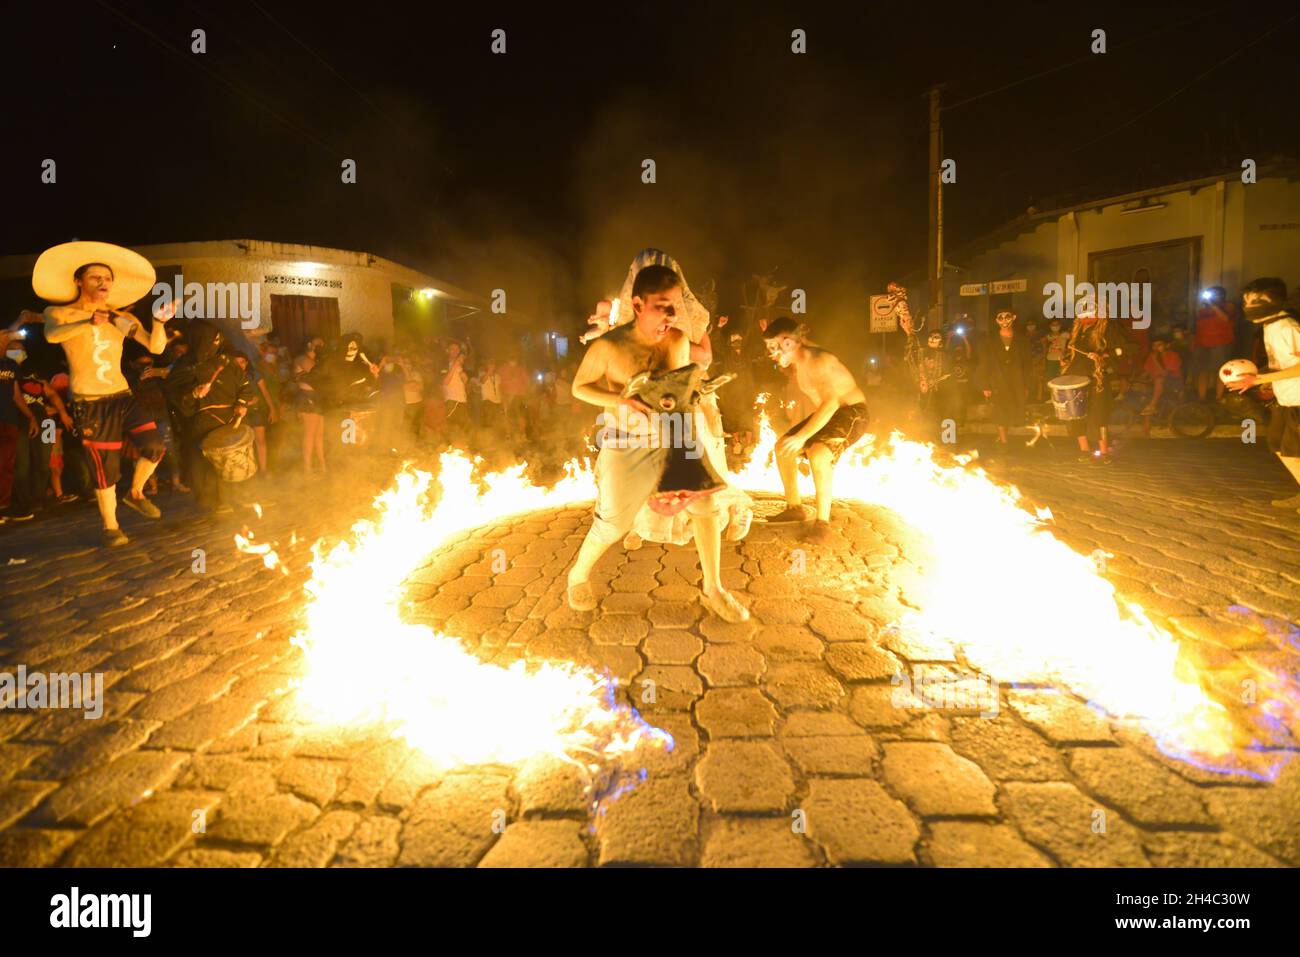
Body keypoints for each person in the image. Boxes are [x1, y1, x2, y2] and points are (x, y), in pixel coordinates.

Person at [565, 263, 749, 623]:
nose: (670, 315)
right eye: (661, 306)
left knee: (705, 509)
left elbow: (675, 392)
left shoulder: (679, 341)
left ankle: (713, 589)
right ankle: (577, 576)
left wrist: (694, 396)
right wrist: (620, 400)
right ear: (637, 304)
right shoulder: (608, 346)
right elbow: (579, 387)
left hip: (673, 433)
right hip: (624, 442)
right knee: (614, 524)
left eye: (675, 306)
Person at [36, 242, 176, 546]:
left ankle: (136, 492)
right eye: (95, 278)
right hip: (90, 402)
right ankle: (110, 527)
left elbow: (156, 347)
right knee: (105, 466)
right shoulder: (60, 313)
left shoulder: (121, 318)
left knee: (154, 445)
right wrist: (87, 321)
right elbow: (50, 336)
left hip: (122, 396)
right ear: (79, 281)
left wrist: (159, 322)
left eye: (107, 279)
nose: (103, 283)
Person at [763, 316, 870, 544]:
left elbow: (831, 403)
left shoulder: (818, 361)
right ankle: (794, 507)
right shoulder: (801, 355)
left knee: (819, 453)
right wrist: (777, 335)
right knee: (783, 446)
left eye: (775, 347)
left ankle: (822, 524)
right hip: (829, 412)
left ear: (789, 343)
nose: (772, 353)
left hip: (852, 412)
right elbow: (800, 340)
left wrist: (802, 437)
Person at [1225, 277, 1300, 511]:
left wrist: (1260, 379)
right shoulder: (1270, 326)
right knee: (1278, 446)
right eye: (1246, 300)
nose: (1249, 305)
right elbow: (1283, 364)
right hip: (1285, 398)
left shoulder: (1289, 327)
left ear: (1275, 300)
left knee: (1292, 450)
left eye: (1257, 300)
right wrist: (1260, 378)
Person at [166, 321, 255, 515]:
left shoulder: (227, 362)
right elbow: (174, 392)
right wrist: (194, 394)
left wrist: (241, 403)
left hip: (230, 418)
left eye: (217, 338)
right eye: (211, 339)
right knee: (208, 464)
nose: (215, 342)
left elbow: (246, 385)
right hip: (204, 421)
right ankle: (214, 501)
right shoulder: (187, 365)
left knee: (234, 460)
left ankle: (237, 497)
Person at [1059, 295, 1126, 464]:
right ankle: (1084, 450)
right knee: (1076, 414)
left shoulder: (1108, 329)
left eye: (1089, 315)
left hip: (1097, 379)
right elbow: (1071, 353)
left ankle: (1104, 453)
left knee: (1098, 416)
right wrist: (1066, 359)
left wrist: (1103, 355)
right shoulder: (1077, 331)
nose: (1085, 319)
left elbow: (1123, 350)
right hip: (1076, 377)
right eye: (1082, 316)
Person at [0, 331, 40, 522]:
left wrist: (31, 416)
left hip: (12, 421)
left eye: (22, 349)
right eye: (13, 347)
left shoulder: (12, 368)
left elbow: (16, 395)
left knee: (8, 465)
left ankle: (4, 506)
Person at [976, 310, 1032, 447]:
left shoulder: (1022, 340)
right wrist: (985, 385)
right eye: (1000, 317)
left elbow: (1027, 364)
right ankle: (1003, 441)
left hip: (1016, 380)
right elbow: (984, 363)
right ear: (996, 320)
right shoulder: (989, 341)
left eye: (1007, 317)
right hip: (997, 381)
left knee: (1013, 409)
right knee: (1000, 411)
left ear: (1014, 317)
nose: (1004, 320)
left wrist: (1028, 385)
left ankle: (1007, 436)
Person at [1191, 286, 1237, 402]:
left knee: (1220, 371)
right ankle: (1201, 398)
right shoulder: (1202, 310)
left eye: (1214, 294)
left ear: (1221, 295)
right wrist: (1194, 343)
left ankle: (1218, 398)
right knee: (1203, 371)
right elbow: (1198, 327)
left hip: (1221, 344)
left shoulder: (1228, 306)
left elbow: (1225, 319)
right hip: (1202, 344)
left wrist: (1213, 305)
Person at [294, 337, 326, 472]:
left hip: (317, 398)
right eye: (317, 342)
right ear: (308, 344)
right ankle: (307, 468)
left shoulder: (319, 360)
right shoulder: (301, 359)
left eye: (322, 342)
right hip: (307, 398)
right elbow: (318, 373)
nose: (320, 345)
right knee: (309, 434)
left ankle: (322, 465)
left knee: (319, 434)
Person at [1139, 335, 1184, 416]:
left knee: (1159, 379)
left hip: (1173, 381)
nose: (1156, 347)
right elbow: (1146, 372)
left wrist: (1156, 360)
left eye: (1159, 345)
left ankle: (1153, 405)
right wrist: (1139, 380)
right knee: (1143, 390)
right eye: (1154, 345)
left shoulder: (1172, 355)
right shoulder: (1152, 356)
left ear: (1166, 345)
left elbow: (1165, 374)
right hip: (1156, 381)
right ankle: (1147, 424)